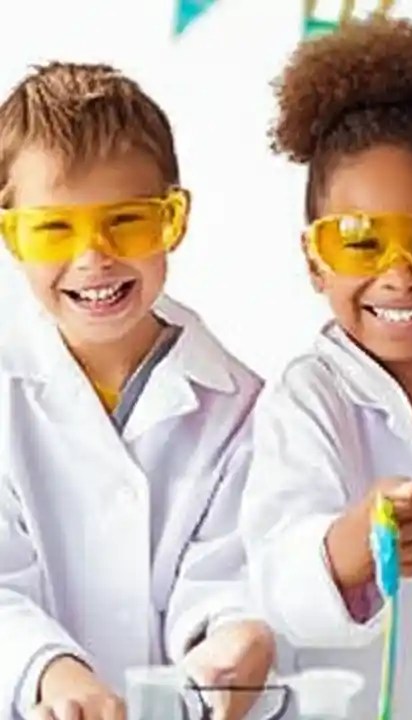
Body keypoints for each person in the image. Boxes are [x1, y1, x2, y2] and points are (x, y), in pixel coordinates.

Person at [238, 17, 412, 718]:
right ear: (314, 261)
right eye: (361, 243)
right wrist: (348, 545)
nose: (400, 274)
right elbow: (277, 574)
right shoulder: (308, 399)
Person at [0, 62, 273, 720]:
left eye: (128, 221)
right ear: (10, 234)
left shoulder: (241, 407)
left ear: (176, 218)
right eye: (53, 228)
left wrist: (233, 637)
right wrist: (50, 673)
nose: (94, 258)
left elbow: (228, 576)